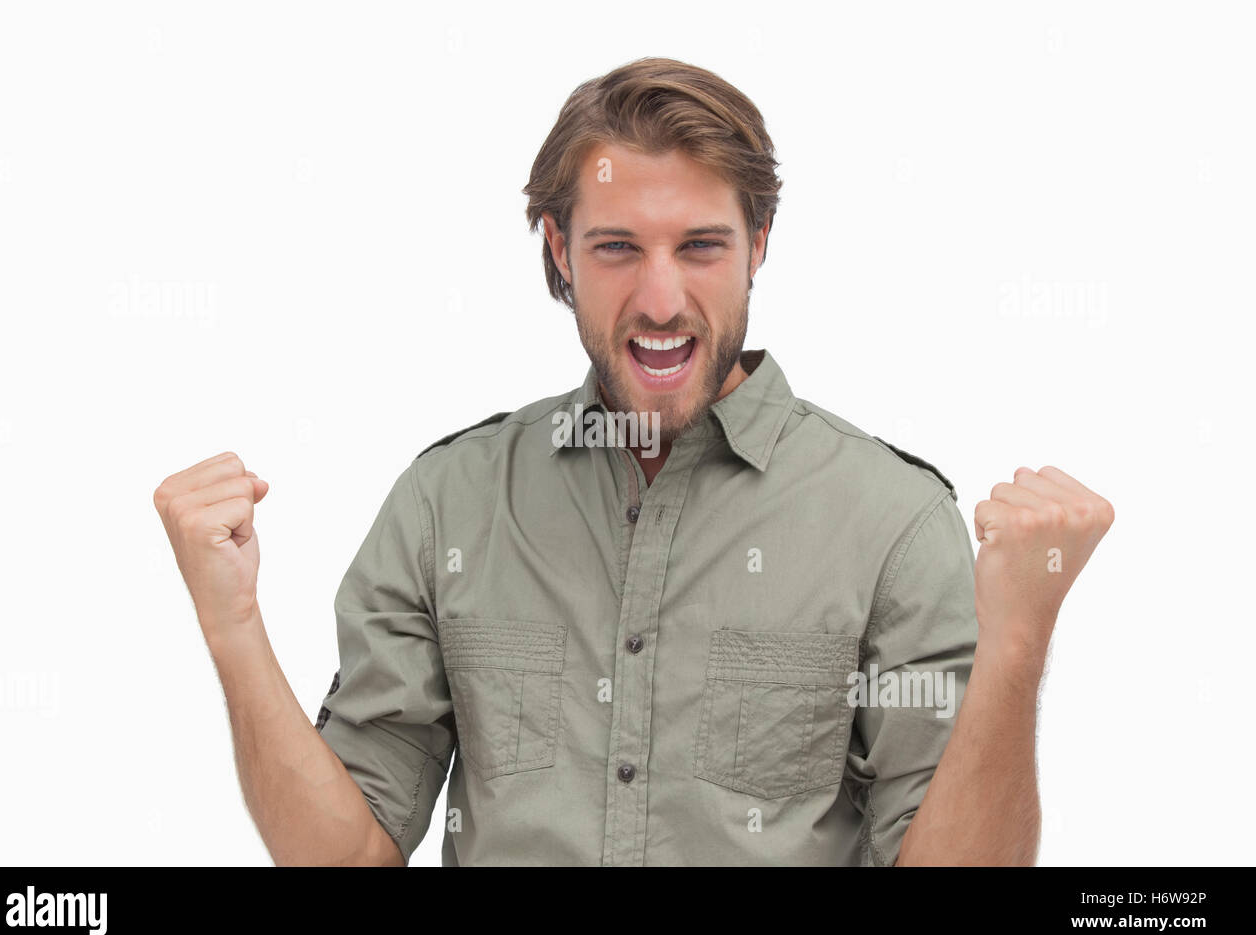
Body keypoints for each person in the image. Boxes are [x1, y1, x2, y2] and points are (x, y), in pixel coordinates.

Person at [153, 57, 1113, 866]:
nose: (661, 299)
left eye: (701, 246)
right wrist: (231, 623)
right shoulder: (447, 504)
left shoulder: (891, 520)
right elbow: (348, 857)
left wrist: (1019, 641)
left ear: (759, 248)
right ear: (559, 249)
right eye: (618, 247)